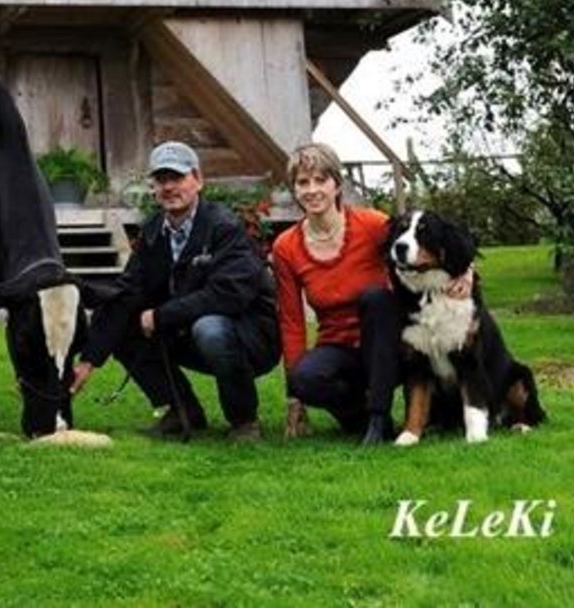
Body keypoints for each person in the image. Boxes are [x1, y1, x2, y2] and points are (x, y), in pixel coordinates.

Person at [71, 141, 280, 440]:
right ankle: (183, 413)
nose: (169, 187)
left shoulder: (224, 227)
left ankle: (244, 422)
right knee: (127, 326)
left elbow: (228, 295)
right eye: (161, 179)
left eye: (177, 178)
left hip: (251, 337)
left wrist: (160, 315)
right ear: (153, 186)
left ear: (198, 180)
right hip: (188, 330)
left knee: (210, 328)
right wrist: (88, 360)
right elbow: (127, 292)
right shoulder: (154, 231)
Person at [271, 143, 468, 444]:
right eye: (303, 182)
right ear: (294, 190)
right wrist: (293, 399)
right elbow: (291, 321)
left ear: (337, 185)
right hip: (338, 346)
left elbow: (428, 237)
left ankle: (377, 418)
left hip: (390, 341)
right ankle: (362, 417)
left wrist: (466, 271)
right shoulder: (286, 247)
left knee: (376, 298)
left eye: (321, 180)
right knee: (305, 379)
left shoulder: (371, 224)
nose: (312, 190)